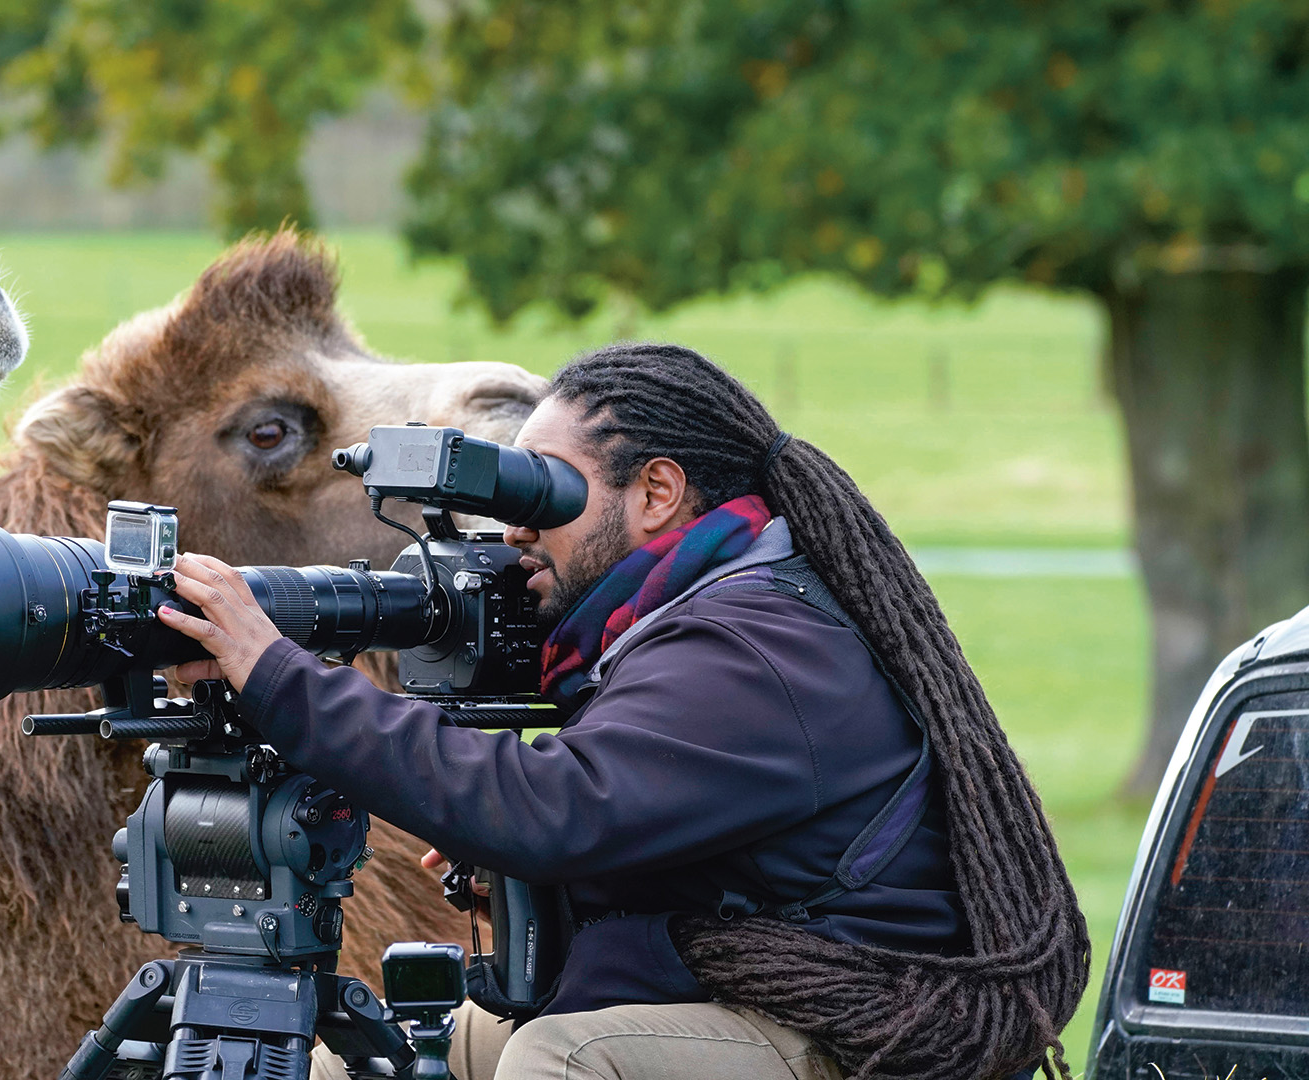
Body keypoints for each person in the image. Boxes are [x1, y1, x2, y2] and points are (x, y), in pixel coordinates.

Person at [157, 344, 1088, 1080]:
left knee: (568, 1060)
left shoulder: (752, 645)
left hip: (854, 1026)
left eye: (547, 490)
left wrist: (276, 673)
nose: (517, 527)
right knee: (370, 1059)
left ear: (656, 493)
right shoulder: (685, 619)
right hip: (752, 991)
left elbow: (555, 809)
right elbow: (689, 848)